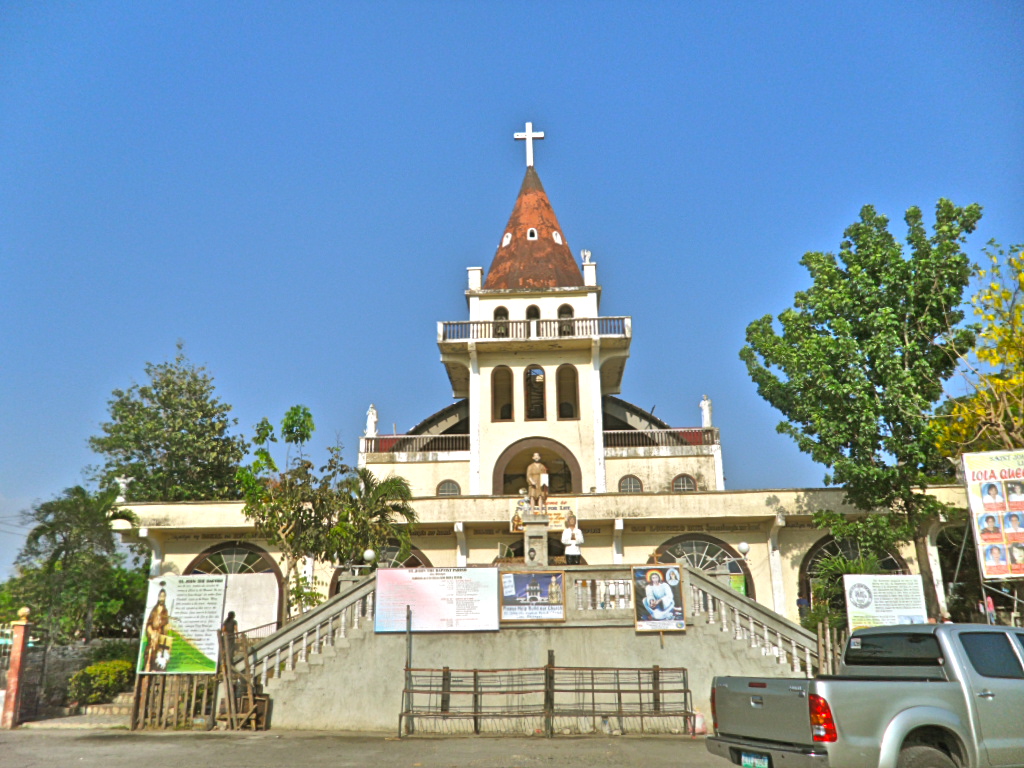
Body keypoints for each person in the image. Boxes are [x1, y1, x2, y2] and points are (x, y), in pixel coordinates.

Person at [143, 586, 171, 672]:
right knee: (151, 647)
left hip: (161, 634)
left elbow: (166, 623)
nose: (162, 598)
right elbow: (149, 623)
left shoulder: (165, 611)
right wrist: (151, 632)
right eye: (161, 596)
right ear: (158, 597)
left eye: (163, 596)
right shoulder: (154, 610)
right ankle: (148, 666)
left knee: (160, 649)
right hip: (153, 633)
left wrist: (162, 631)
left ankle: (156, 667)